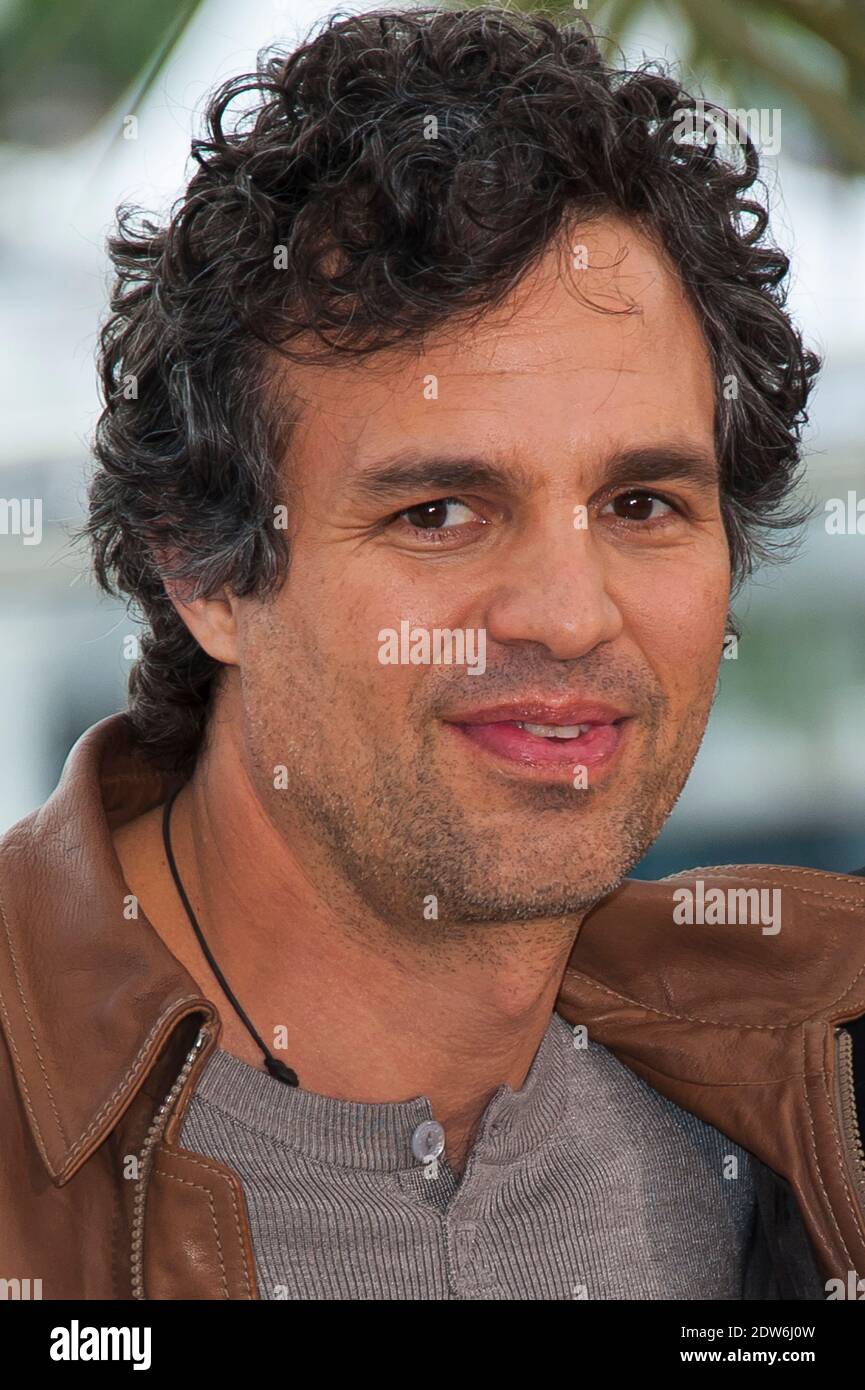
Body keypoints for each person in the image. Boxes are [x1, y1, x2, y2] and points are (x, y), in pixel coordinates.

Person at [1, 6, 863, 1302]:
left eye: (640, 504)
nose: (568, 616)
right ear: (204, 569)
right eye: (439, 512)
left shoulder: (821, 1060)